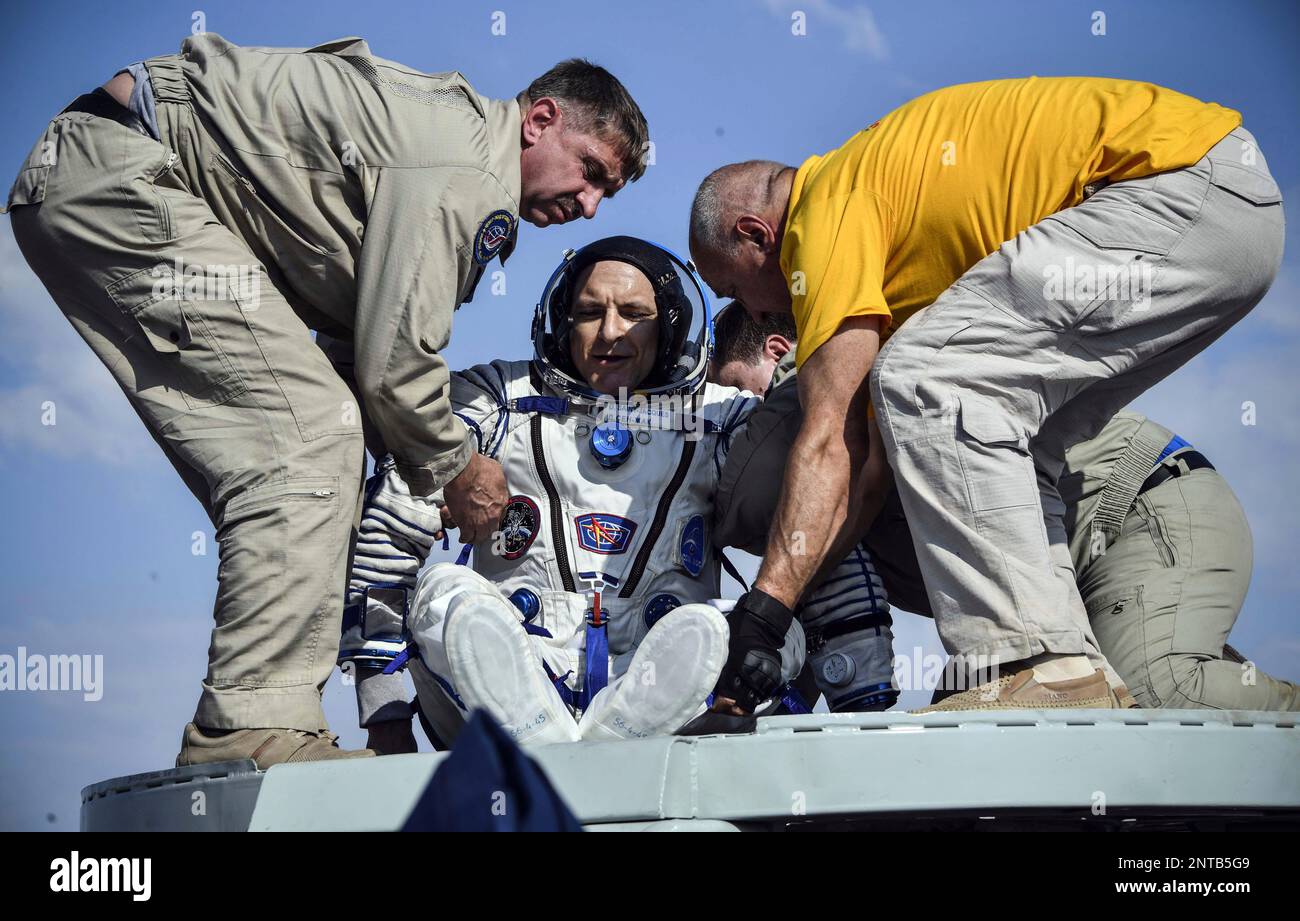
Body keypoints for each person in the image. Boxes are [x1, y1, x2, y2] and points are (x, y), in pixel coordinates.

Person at [5, 33, 648, 767]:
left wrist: (409, 463)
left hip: (111, 171)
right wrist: (457, 467)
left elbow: (357, 348)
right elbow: (395, 367)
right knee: (309, 437)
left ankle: (270, 719)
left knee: (317, 439)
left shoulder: (457, 151)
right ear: (539, 120)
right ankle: (249, 726)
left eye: (608, 192)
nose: (590, 205)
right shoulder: (465, 173)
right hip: (127, 177)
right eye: (590, 171)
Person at [688, 77, 1283, 714]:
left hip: (1179, 187)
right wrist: (781, 610)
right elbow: (866, 468)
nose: (750, 310)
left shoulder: (825, 207)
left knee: (926, 376)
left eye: (732, 291)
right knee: (1010, 441)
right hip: (1223, 211)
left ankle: (1030, 661)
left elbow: (832, 435)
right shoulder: (879, 223)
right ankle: (1070, 670)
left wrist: (762, 610)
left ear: (756, 235)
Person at [340, 237, 808, 751]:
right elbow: (391, 525)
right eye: (589, 312)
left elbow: (815, 521)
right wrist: (384, 713)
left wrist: (861, 693)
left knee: (750, 625)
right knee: (446, 595)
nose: (610, 332)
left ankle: (616, 733)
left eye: (634, 313)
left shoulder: (723, 418)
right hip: (508, 680)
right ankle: (537, 733)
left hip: (664, 692)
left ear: (670, 323)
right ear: (563, 319)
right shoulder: (498, 399)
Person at [712, 305, 1297, 711]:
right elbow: (821, 623)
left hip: (1135, 510)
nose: (740, 415)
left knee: (1165, 697)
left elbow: (766, 487)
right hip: (1077, 580)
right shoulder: (813, 489)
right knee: (988, 728)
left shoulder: (823, 391)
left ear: (779, 351)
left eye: (738, 387)